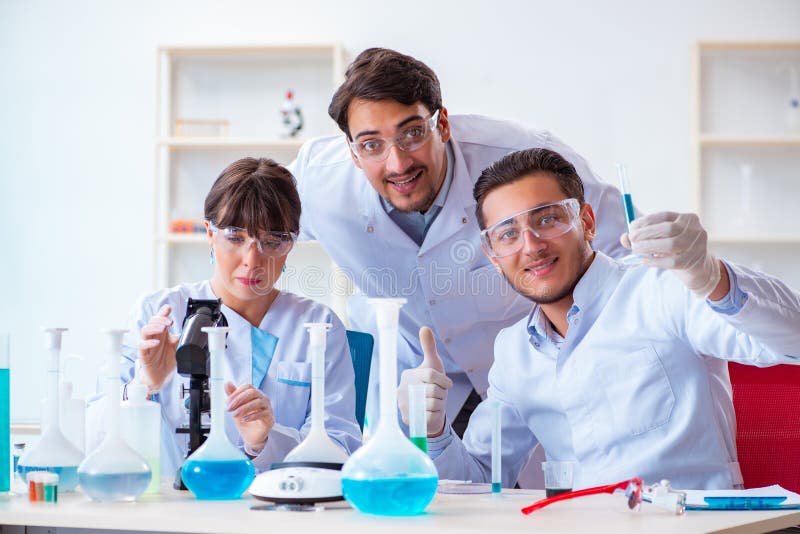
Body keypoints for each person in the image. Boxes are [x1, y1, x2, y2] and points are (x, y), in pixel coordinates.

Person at [400, 147, 800, 490]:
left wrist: (711, 277)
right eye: (508, 234)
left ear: (587, 222)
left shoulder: (660, 289)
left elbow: (791, 341)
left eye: (547, 219)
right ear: (492, 255)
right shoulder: (513, 352)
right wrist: (432, 432)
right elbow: (479, 480)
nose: (532, 245)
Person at [288, 48, 631, 435]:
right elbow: (252, 226)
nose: (398, 163)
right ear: (351, 151)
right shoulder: (320, 182)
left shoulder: (524, 157)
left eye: (413, 133)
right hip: (409, 379)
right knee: (420, 488)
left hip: (528, 372)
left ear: (443, 124)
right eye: (371, 145)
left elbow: (617, 255)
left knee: (535, 490)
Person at [88, 158, 361, 475]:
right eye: (234, 237)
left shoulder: (317, 326)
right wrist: (143, 385)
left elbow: (340, 450)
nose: (252, 260)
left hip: (277, 513)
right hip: (170, 512)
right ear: (209, 234)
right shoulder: (159, 313)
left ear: (290, 245)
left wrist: (264, 441)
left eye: (272, 241)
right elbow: (93, 436)